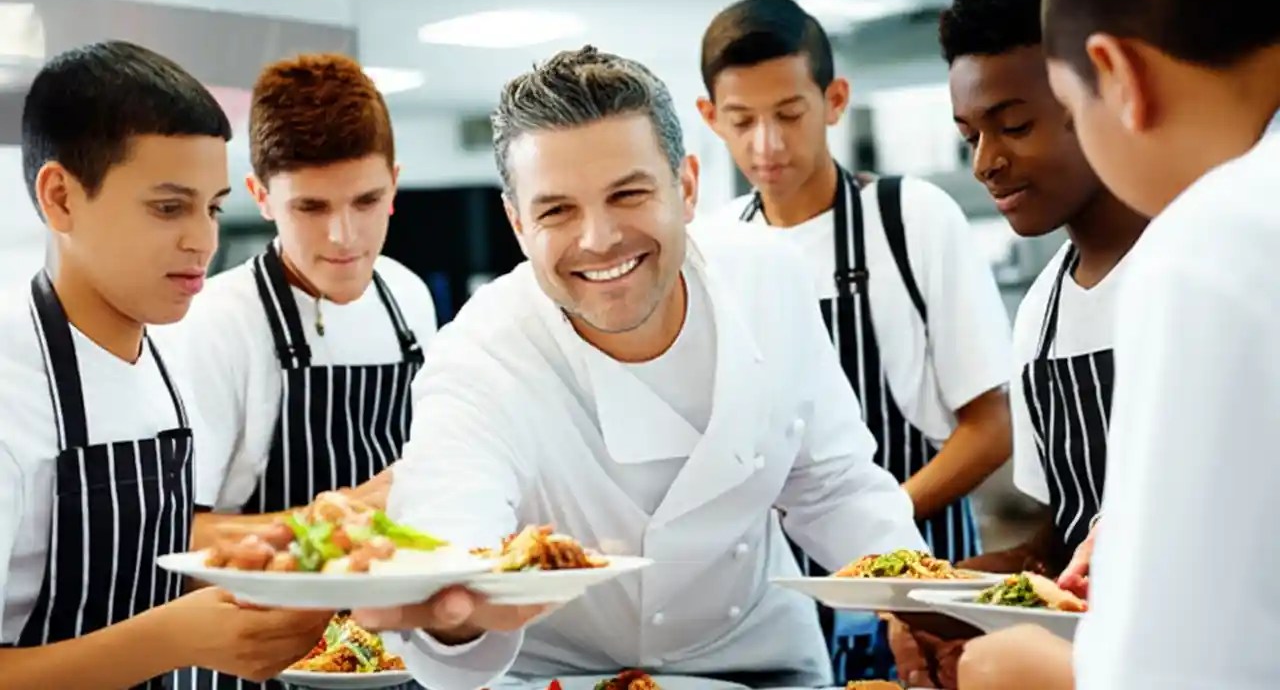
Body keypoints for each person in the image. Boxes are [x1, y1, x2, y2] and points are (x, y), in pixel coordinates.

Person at [348, 45, 927, 690]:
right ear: (517, 224)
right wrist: (451, 612)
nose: (598, 238)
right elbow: (450, 523)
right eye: (556, 210)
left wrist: (912, 604)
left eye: (628, 194)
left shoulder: (768, 277)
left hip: (758, 668)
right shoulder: (481, 351)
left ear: (686, 187)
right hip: (552, 679)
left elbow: (832, 484)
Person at [959, 0, 1280, 688]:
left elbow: (1173, 672)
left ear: (1117, 73)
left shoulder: (1211, 240)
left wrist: (1029, 668)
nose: (988, 161)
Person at [694, 0, 1014, 681]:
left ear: (834, 100)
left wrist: (871, 530)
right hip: (775, 589)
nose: (767, 145)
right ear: (708, 119)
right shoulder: (713, 249)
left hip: (920, 567)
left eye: (789, 114)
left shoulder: (911, 218)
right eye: (742, 121)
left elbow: (992, 427)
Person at [0, 40, 330, 690]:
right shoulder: (10, 390)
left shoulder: (168, 356)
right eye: (168, 207)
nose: (204, 241)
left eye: (211, 207)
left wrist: (287, 543)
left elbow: (142, 545)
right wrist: (174, 637)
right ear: (60, 198)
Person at [883, 0, 1148, 685]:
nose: (986, 163)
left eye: (1015, 125)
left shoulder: (1197, 268)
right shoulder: (1041, 312)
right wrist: (941, 599)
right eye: (970, 135)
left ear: (1098, 90)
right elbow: (1061, 541)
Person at [155, 53, 437, 689]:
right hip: (255, 665)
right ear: (260, 196)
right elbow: (175, 541)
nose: (344, 236)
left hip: (390, 656)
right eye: (311, 207)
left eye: (367, 200)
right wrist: (336, 518)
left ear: (394, 183)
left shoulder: (408, 297)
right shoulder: (217, 324)